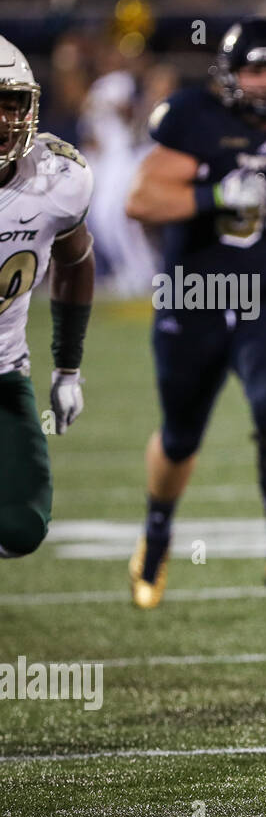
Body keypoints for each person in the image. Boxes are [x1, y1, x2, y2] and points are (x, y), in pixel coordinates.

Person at [123, 16, 266, 608]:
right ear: (230, 74)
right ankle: (155, 537)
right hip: (195, 296)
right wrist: (215, 195)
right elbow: (141, 199)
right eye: (255, 68)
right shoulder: (196, 120)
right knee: (180, 435)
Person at [0, 34, 96, 557]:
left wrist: (67, 369)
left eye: (10, 104)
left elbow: (76, 259)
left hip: (3, 371)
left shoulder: (56, 178)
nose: (2, 120)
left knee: (21, 528)